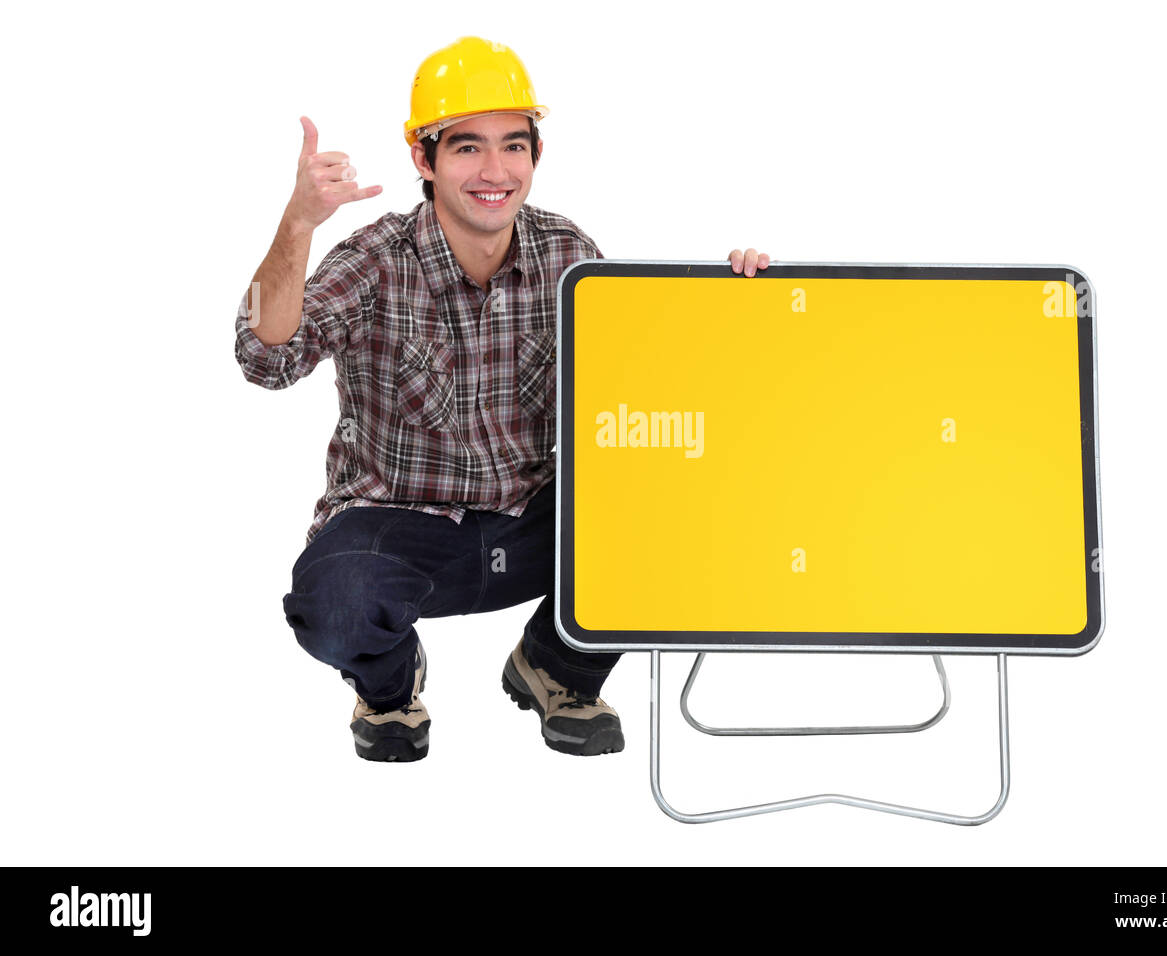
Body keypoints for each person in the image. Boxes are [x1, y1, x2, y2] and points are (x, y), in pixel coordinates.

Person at [234, 36, 771, 763]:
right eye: (466, 149)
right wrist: (296, 224)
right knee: (335, 609)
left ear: (535, 156)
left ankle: (559, 664)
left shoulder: (566, 253)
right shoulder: (374, 258)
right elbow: (264, 357)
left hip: (531, 524)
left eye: (513, 146)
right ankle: (390, 690)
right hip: (399, 525)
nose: (495, 171)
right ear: (424, 160)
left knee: (692, 505)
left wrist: (739, 301)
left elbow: (648, 386)